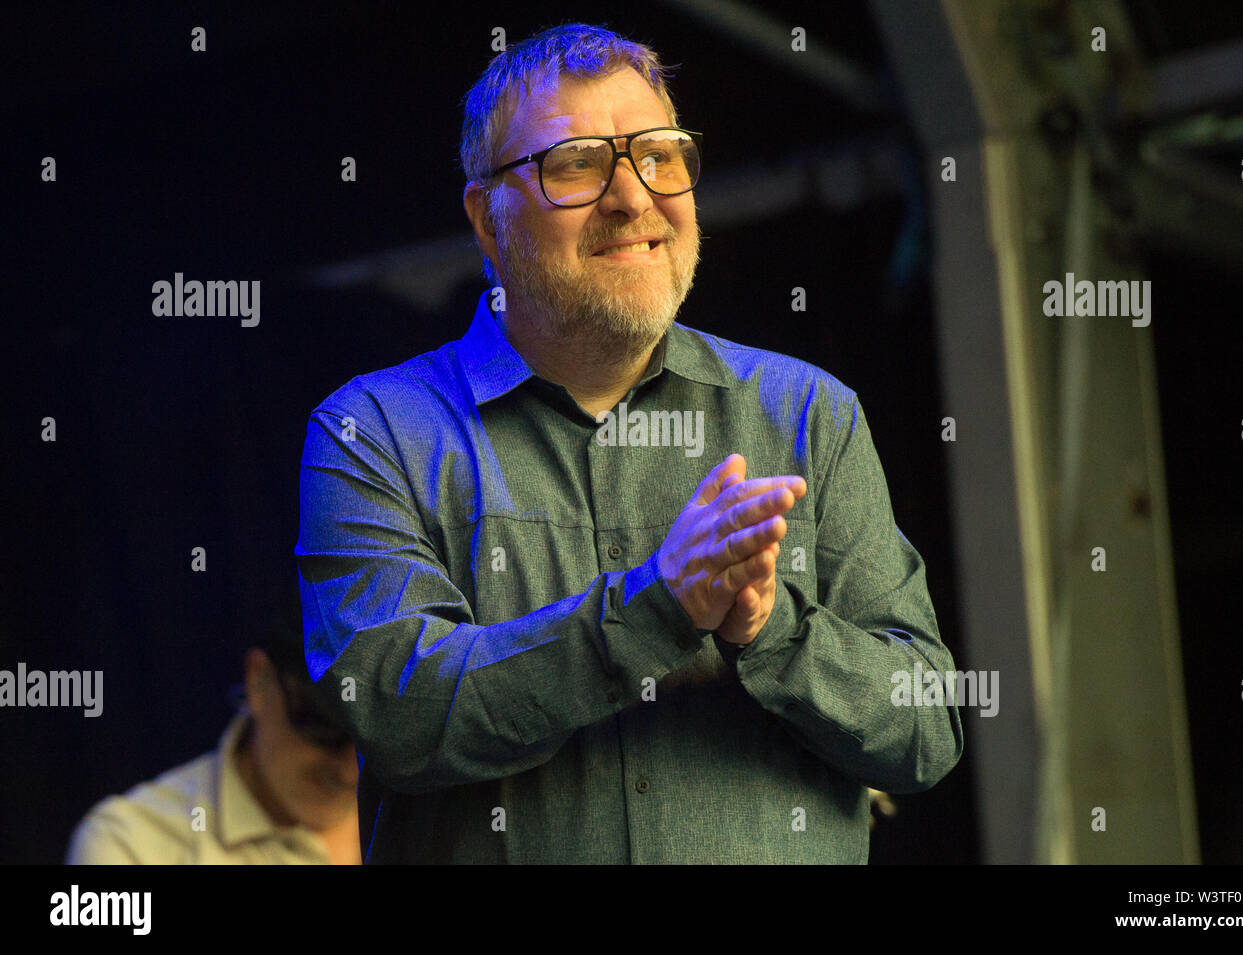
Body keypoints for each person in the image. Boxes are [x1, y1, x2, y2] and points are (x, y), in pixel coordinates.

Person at [295, 22, 962, 863]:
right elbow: (399, 712)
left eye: (659, 154)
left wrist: (771, 627)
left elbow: (928, 727)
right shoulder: (376, 433)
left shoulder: (808, 411)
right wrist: (656, 608)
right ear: (487, 220)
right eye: (575, 164)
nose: (633, 197)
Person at [65, 625, 361, 864]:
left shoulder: (402, 813)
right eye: (323, 730)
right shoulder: (132, 845)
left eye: (368, 748)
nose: (350, 773)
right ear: (259, 681)